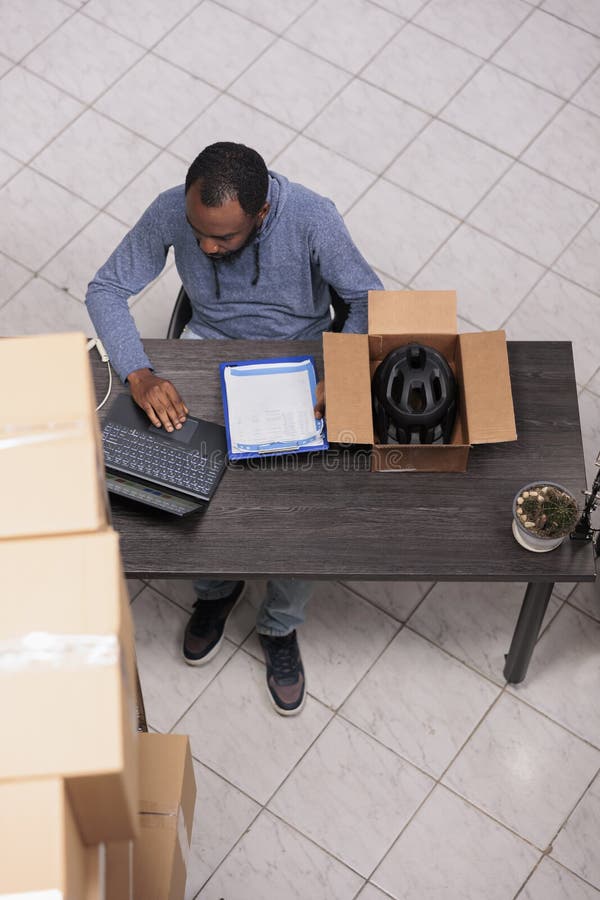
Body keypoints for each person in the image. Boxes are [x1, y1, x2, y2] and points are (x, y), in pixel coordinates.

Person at [86, 142, 382, 716]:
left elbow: (366, 298)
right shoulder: (174, 207)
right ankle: (216, 592)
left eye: (222, 237)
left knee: (303, 514)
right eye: (197, 230)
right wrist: (139, 372)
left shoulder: (313, 216)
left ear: (263, 213)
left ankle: (278, 626)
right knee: (181, 487)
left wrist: (342, 370)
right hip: (209, 348)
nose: (203, 245)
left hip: (300, 357)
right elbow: (106, 289)